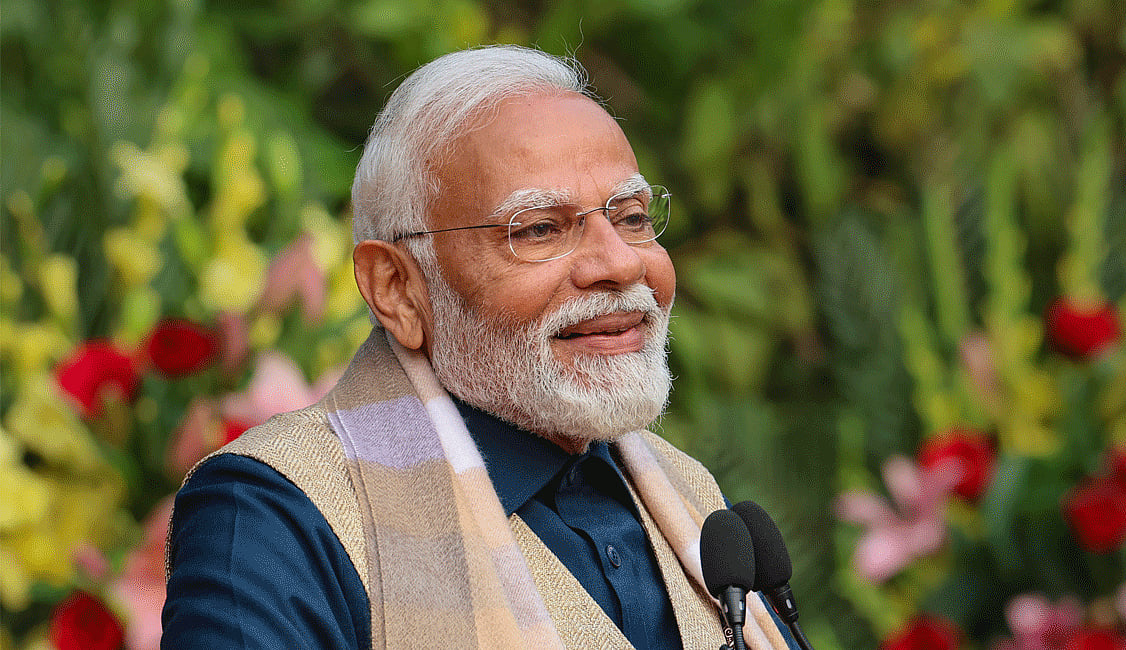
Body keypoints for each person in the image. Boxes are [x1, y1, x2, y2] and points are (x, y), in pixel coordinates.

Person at [162, 45, 800, 650]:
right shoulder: (282, 516)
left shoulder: (690, 501)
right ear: (397, 289)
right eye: (541, 229)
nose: (619, 263)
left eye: (631, 217)